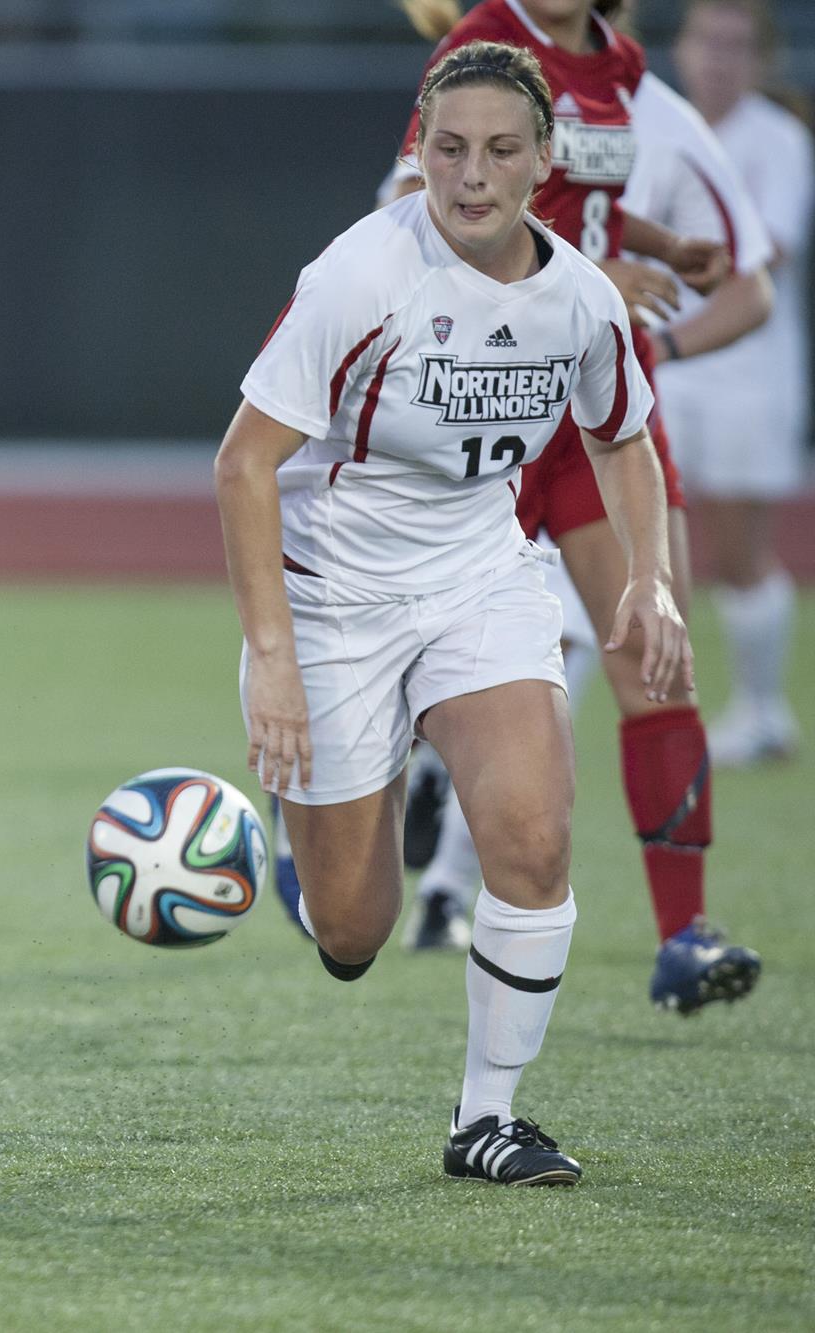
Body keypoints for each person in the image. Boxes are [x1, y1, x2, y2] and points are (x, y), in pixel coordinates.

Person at [219, 40, 685, 1184]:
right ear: (417, 150)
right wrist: (272, 659)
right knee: (351, 933)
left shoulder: (577, 295)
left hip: (479, 578)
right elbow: (241, 467)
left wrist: (647, 575)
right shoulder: (359, 277)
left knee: (528, 839)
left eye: (499, 151)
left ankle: (485, 1118)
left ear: (543, 163)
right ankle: (312, 836)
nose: (470, 175)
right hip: (332, 603)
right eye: (447, 148)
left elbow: (620, 436)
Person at [364, 0, 761, 1014]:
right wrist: (594, 270)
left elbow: (575, 194)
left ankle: (683, 935)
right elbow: (432, 196)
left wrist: (662, 247)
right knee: (416, 654)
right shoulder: (483, 43)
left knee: (653, 654)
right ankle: (324, 823)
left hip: (593, 398)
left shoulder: (617, 61)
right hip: (483, 390)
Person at [663, 0, 812, 765]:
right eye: (707, 42)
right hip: (667, 364)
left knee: (738, 548)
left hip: (749, 372)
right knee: (648, 540)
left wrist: (664, 251)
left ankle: (762, 710)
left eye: (735, 46)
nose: (718, 59)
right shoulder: (658, 125)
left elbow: (770, 251)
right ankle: (661, 701)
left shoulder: (779, 139)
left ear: (759, 60)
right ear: (684, 48)